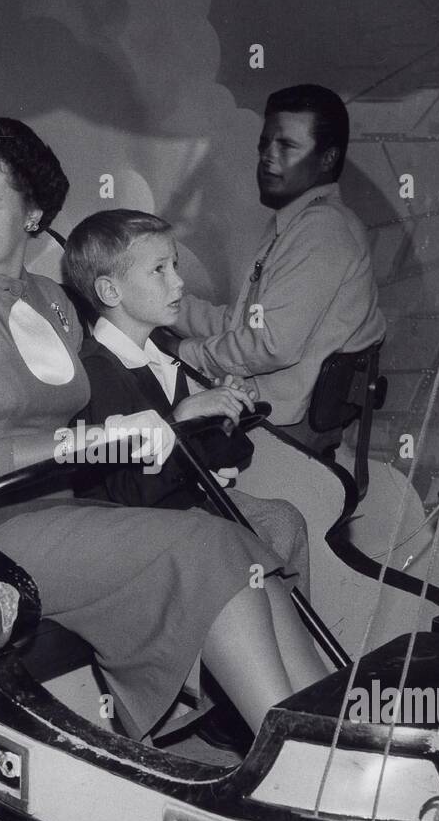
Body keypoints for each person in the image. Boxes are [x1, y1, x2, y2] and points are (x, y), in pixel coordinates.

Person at [0, 113, 326, 745]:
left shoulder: (55, 303)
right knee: (205, 546)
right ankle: (297, 764)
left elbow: (105, 400)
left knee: (243, 542)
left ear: (32, 216)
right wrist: (90, 442)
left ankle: (334, 744)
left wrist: (172, 414)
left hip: (69, 512)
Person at [63, 208, 311, 593]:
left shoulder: (162, 361)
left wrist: (226, 415)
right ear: (110, 291)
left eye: (175, 266)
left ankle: (283, 644)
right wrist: (180, 419)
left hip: (185, 507)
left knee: (284, 520)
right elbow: (127, 494)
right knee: (264, 530)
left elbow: (224, 457)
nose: (178, 282)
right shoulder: (98, 372)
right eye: (159, 270)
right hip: (139, 528)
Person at [172, 83, 386, 434]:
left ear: (327, 158)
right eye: (265, 144)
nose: (267, 156)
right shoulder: (301, 223)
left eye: (286, 145)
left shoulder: (323, 231)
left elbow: (271, 345)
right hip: (270, 416)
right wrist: (165, 310)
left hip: (283, 429)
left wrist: (184, 353)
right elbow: (241, 325)